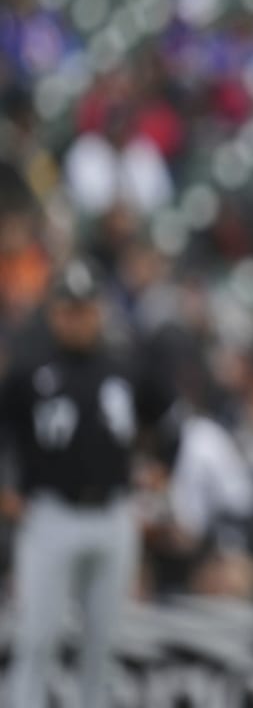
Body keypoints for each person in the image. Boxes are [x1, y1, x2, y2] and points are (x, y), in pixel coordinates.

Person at [0, 260, 168, 708]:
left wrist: (158, 467)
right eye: (69, 308)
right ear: (53, 312)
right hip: (51, 515)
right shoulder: (29, 370)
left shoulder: (123, 364)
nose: (78, 318)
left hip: (113, 514)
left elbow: (165, 416)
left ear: (99, 310)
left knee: (106, 648)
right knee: (36, 640)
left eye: (86, 308)